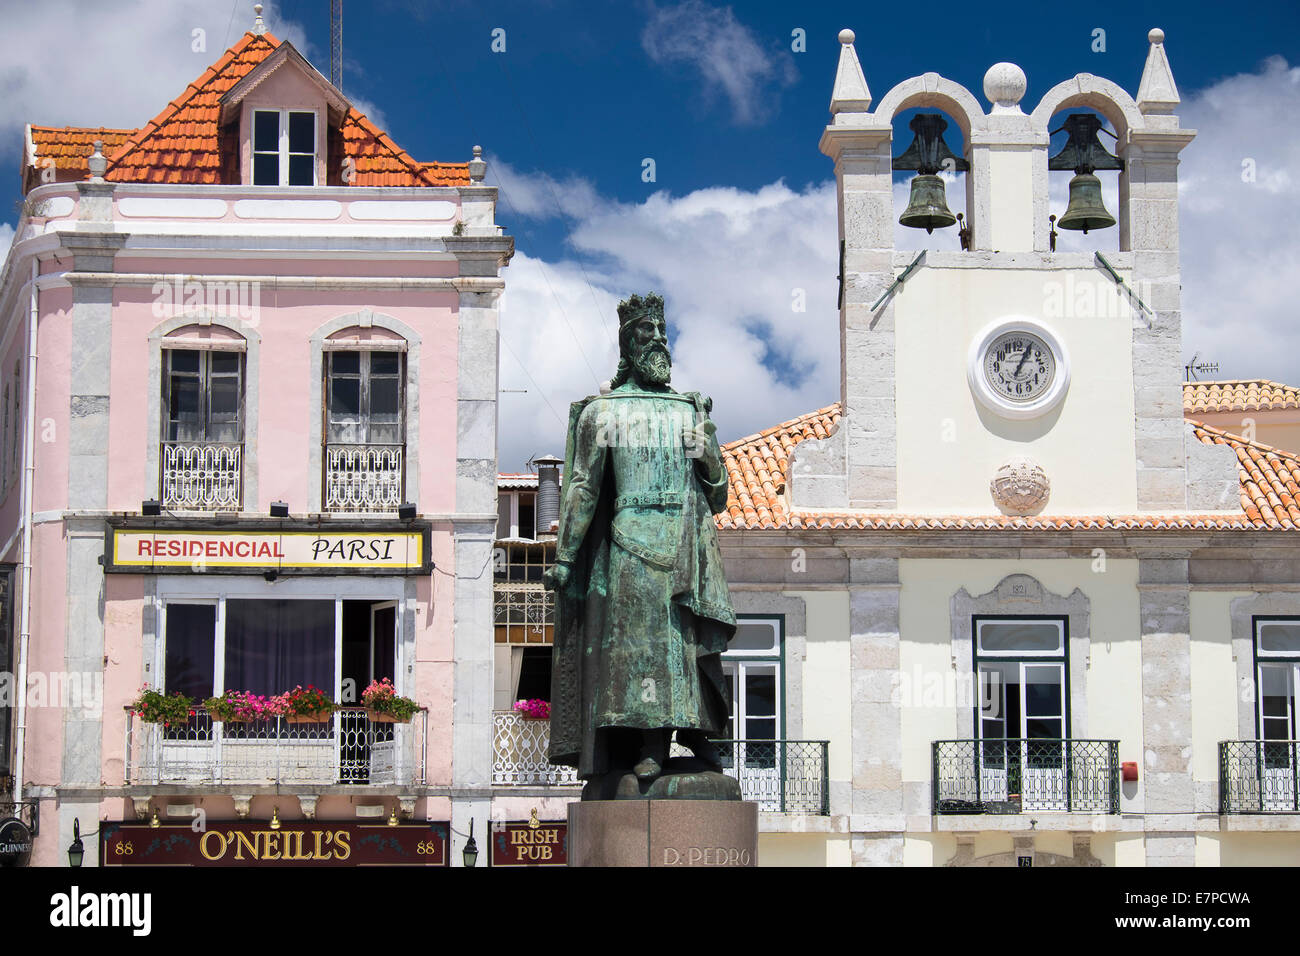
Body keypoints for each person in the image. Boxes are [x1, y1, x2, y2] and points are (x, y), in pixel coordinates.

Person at [544, 293, 736, 788]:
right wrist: (565, 558)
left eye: (662, 333)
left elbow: (718, 496)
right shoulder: (604, 413)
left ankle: (694, 731)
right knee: (641, 650)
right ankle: (646, 742)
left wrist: (708, 455)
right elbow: (584, 487)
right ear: (628, 344)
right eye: (646, 333)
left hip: (687, 548)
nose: (658, 342)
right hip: (629, 542)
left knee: (684, 644)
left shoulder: (690, 409)